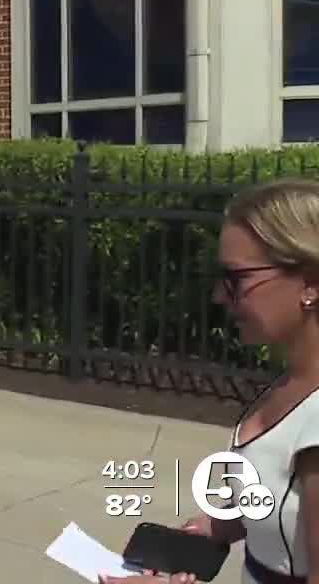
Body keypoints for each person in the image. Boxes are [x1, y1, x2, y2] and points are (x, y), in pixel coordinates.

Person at [101, 178, 319, 584]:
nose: (221, 296)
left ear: (310, 282)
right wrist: (222, 525)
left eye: (237, 278)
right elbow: (286, 504)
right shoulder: (293, 384)